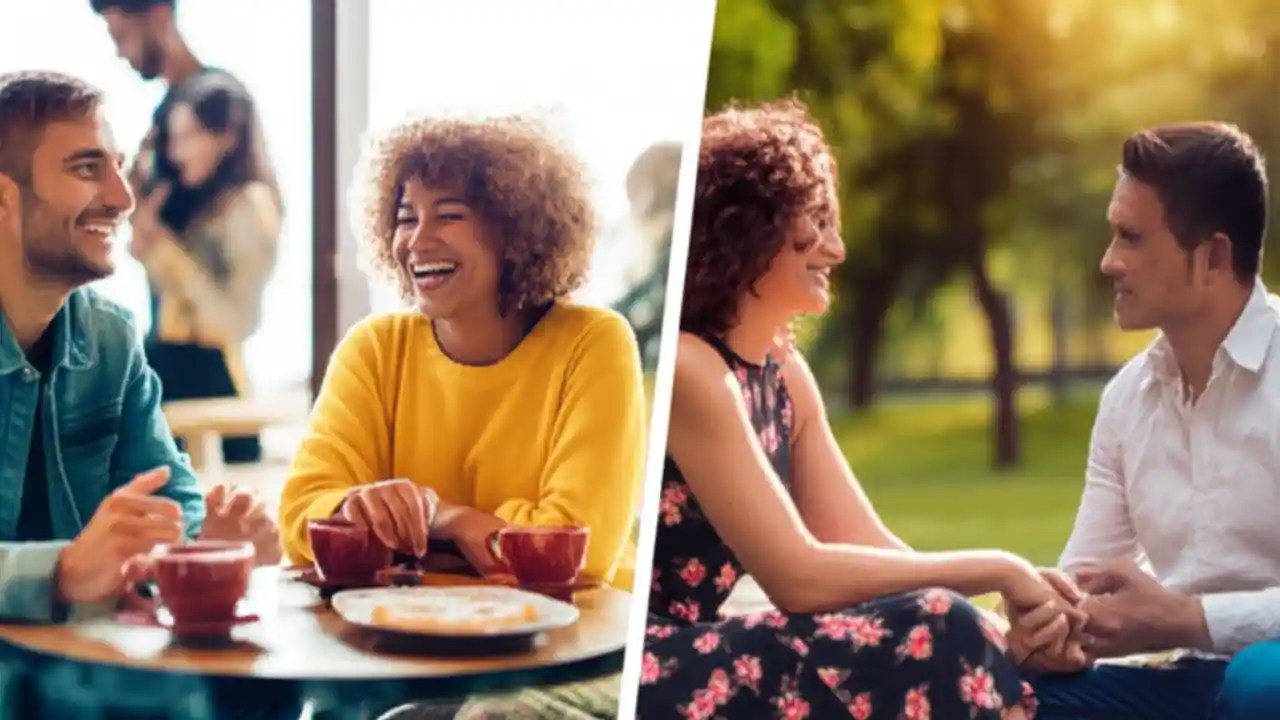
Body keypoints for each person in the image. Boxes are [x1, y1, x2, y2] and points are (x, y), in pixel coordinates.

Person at [635, 98, 1088, 719]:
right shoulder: (693, 370)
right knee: (936, 624)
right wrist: (1001, 569)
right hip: (656, 663)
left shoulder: (785, 377)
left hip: (707, 648)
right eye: (816, 222)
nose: (837, 249)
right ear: (748, 227)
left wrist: (1008, 632)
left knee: (946, 621)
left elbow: (871, 549)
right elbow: (797, 577)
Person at [278, 112, 645, 592]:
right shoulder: (374, 349)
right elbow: (299, 524)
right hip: (406, 634)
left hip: (571, 639)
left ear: (516, 231)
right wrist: (448, 520)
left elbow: (579, 553)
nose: (418, 240)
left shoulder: (593, 343)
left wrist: (417, 525)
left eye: (449, 215)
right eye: (407, 217)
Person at [1014, 123, 1280, 720]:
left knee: (1260, 683)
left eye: (1131, 238)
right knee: (1003, 696)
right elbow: (1083, 577)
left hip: (1267, 678)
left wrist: (1188, 619)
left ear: (1213, 256)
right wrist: (1050, 621)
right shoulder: (1127, 399)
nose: (1109, 262)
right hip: (1181, 681)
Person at [0, 70, 279, 624]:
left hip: (87, 680)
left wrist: (210, 545)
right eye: (87, 169)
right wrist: (62, 571)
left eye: (118, 167)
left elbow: (174, 507)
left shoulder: (111, 338)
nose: (123, 198)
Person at [128, 72, 281, 464]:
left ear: (227, 136)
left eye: (189, 137)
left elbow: (232, 320)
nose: (177, 154)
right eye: (173, 139)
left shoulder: (250, 205)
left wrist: (162, 248)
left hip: (217, 383)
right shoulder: (189, 203)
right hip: (166, 372)